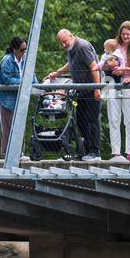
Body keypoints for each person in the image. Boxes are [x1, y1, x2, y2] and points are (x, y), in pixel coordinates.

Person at [44, 29, 101, 161]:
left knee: (92, 121)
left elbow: (94, 67)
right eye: (61, 43)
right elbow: (71, 64)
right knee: (81, 121)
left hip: (91, 89)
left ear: (71, 36)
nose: (64, 45)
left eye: (65, 41)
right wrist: (57, 73)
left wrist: (97, 89)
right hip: (80, 90)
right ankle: (85, 150)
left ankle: (95, 152)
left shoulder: (82, 46)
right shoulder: (71, 48)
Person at [104, 23, 130, 161]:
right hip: (112, 82)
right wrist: (111, 66)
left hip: (129, 82)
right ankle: (116, 153)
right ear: (120, 34)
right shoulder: (113, 45)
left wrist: (124, 69)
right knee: (113, 117)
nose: (125, 37)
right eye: (123, 34)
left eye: (128, 34)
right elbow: (105, 64)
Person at [0, 36, 34, 158]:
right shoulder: (7, 61)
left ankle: (19, 153)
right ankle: (6, 154)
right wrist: (23, 81)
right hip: (8, 101)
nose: (24, 52)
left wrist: (37, 84)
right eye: (22, 50)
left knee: (20, 126)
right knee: (9, 128)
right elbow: (6, 79)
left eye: (25, 49)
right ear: (14, 49)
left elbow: (32, 76)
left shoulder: (25, 60)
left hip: (20, 99)